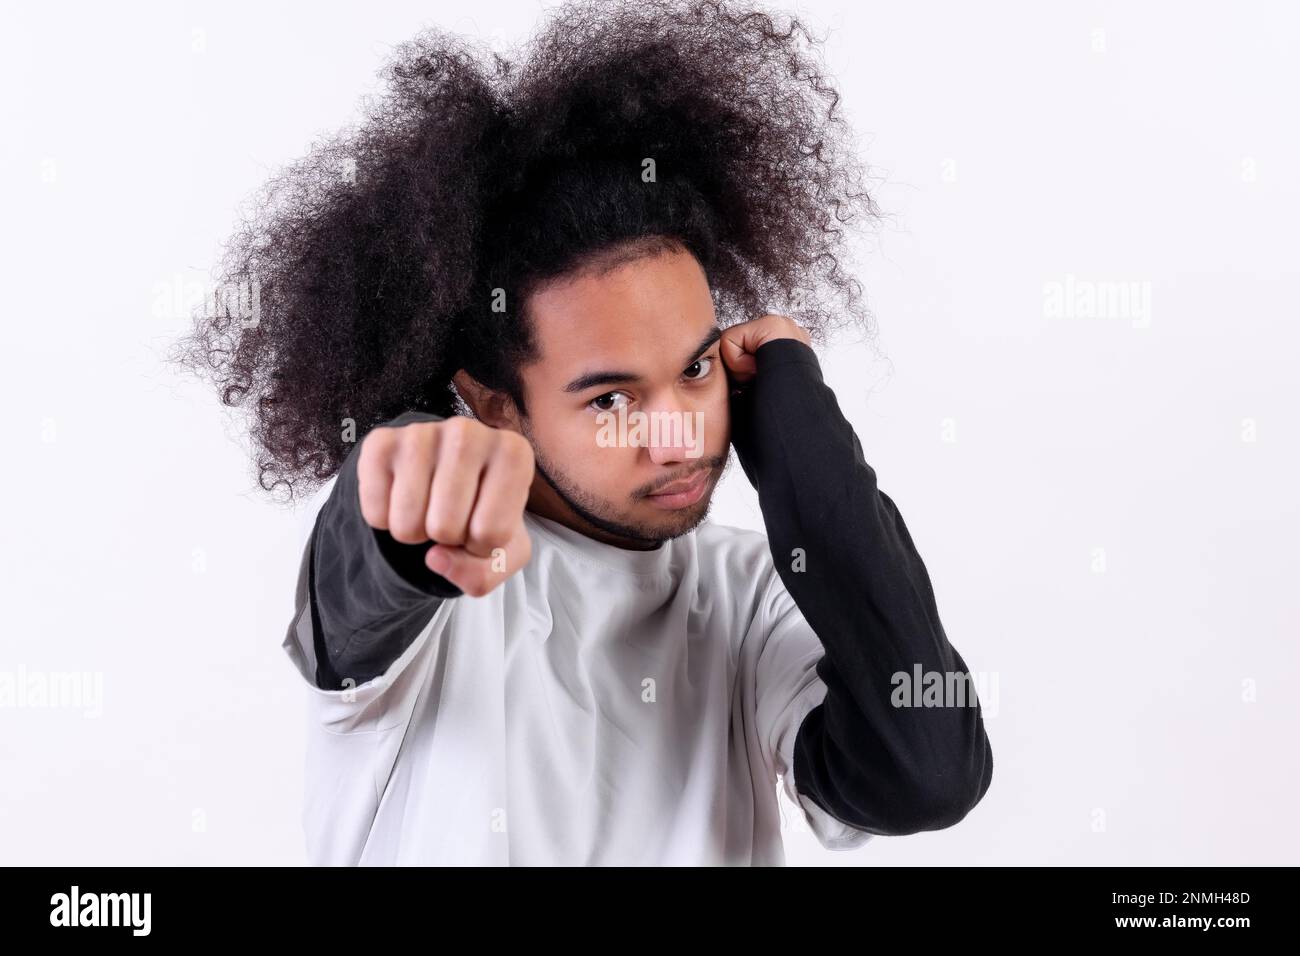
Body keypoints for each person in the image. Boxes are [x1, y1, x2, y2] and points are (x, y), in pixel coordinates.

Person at [175, 0, 993, 865]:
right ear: (493, 405)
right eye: (610, 401)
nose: (678, 438)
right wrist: (410, 511)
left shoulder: (754, 594)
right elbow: (368, 566)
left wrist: (804, 431)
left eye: (695, 368)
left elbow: (926, 773)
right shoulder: (432, 589)